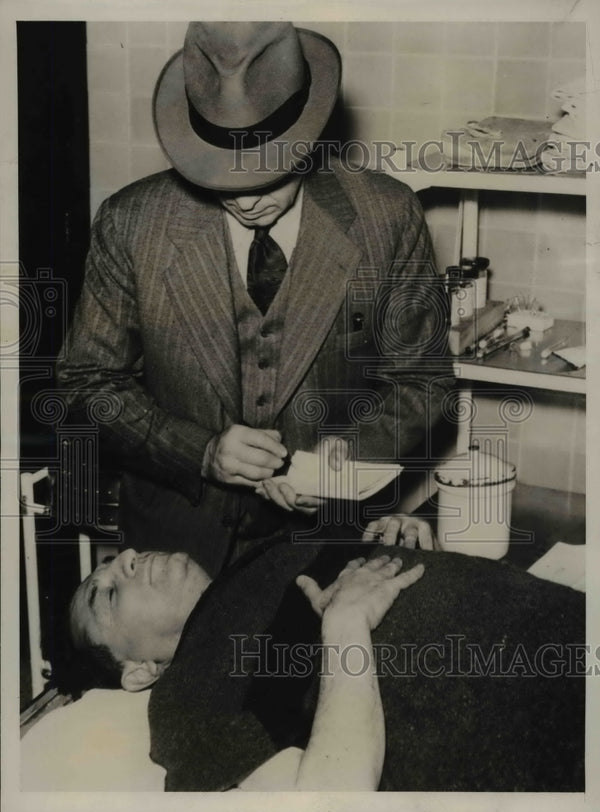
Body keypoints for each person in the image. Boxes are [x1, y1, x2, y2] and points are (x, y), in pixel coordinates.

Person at [56, 21, 454, 577]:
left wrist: (337, 467)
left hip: (326, 542)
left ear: (308, 139)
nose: (246, 202)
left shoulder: (386, 217)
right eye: (220, 178)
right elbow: (84, 386)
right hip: (176, 547)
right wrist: (198, 450)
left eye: (270, 174)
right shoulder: (133, 224)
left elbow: (423, 382)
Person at [69, 518, 585, 793]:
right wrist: (346, 622)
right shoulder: (186, 699)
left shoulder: (267, 549)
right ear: (138, 671)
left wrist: (404, 539)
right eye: (108, 592)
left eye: (116, 560)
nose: (130, 559)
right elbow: (331, 802)